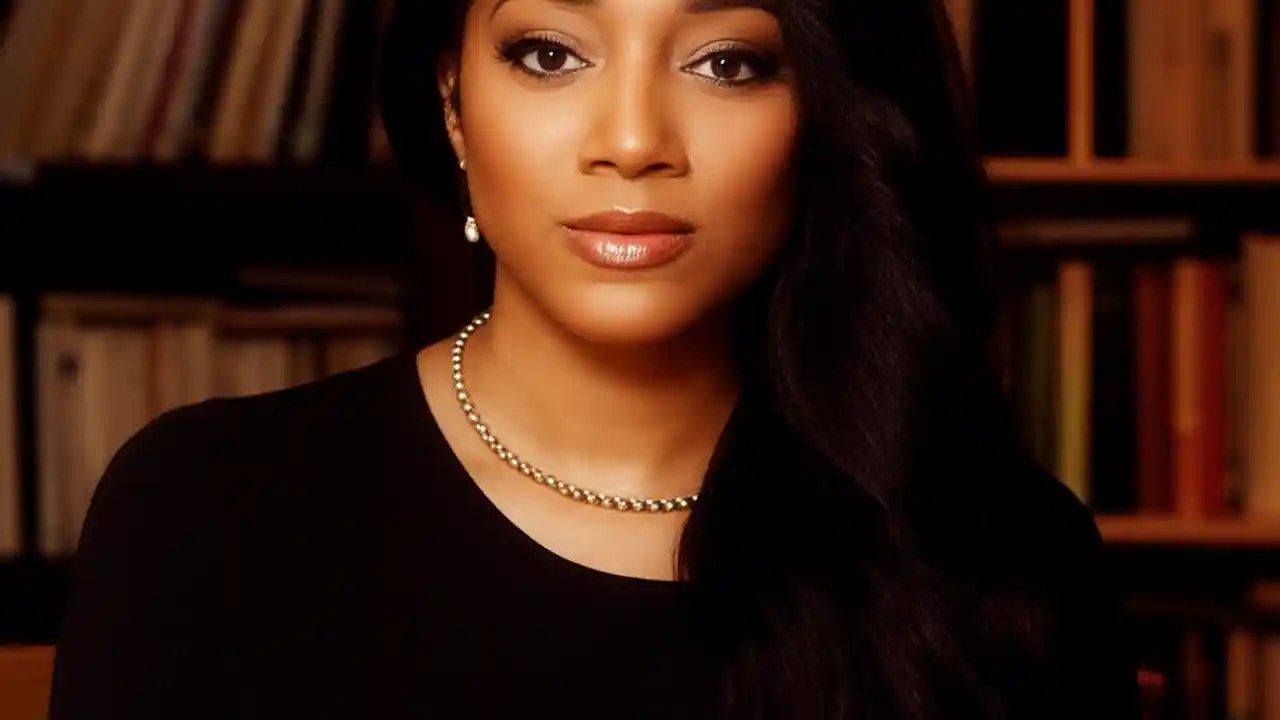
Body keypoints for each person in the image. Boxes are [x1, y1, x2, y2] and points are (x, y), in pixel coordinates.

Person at [47, 0, 1140, 718]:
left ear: (822, 113)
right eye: (548, 53)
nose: (630, 138)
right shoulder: (203, 509)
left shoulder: (998, 559)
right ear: (453, 102)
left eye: (726, 62)